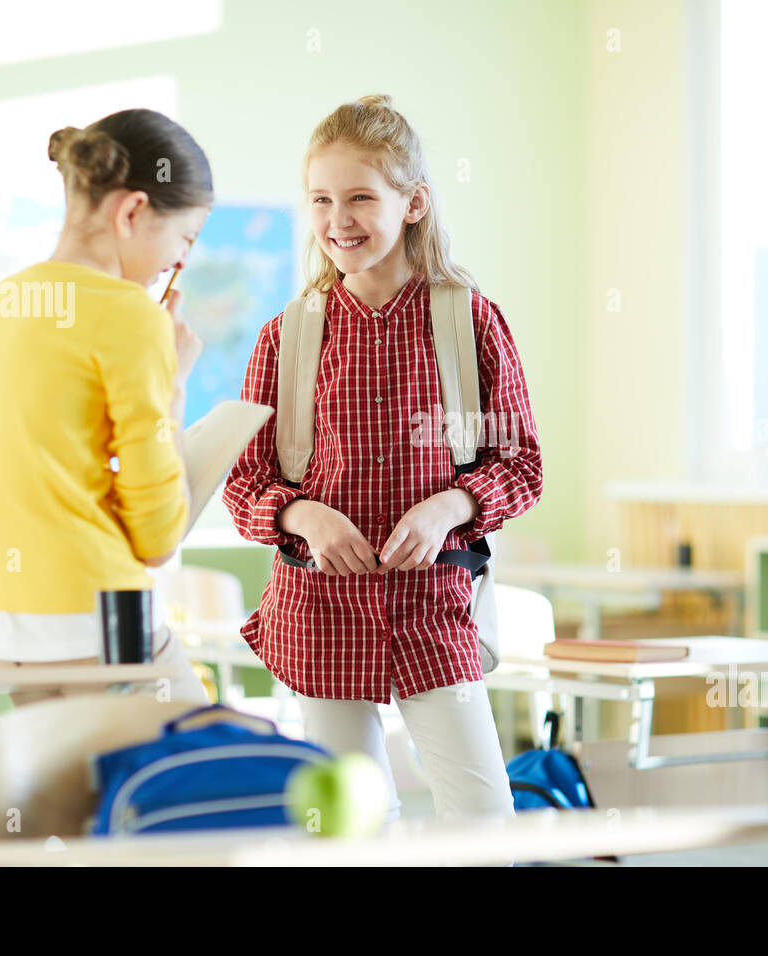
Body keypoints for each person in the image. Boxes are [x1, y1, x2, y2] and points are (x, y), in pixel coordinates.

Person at [222, 95, 543, 827]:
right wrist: (303, 514)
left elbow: (521, 464)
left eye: (362, 196)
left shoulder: (469, 321)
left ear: (414, 203)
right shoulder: (285, 337)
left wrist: (449, 506)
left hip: (434, 611)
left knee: (483, 817)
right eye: (322, 199)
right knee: (348, 827)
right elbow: (243, 486)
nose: (340, 219)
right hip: (318, 613)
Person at [0, 108, 211, 706]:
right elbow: (159, 538)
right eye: (184, 239)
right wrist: (174, 386)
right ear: (132, 211)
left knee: (65, 793)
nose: (176, 265)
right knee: (208, 764)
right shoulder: (132, 316)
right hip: (88, 624)